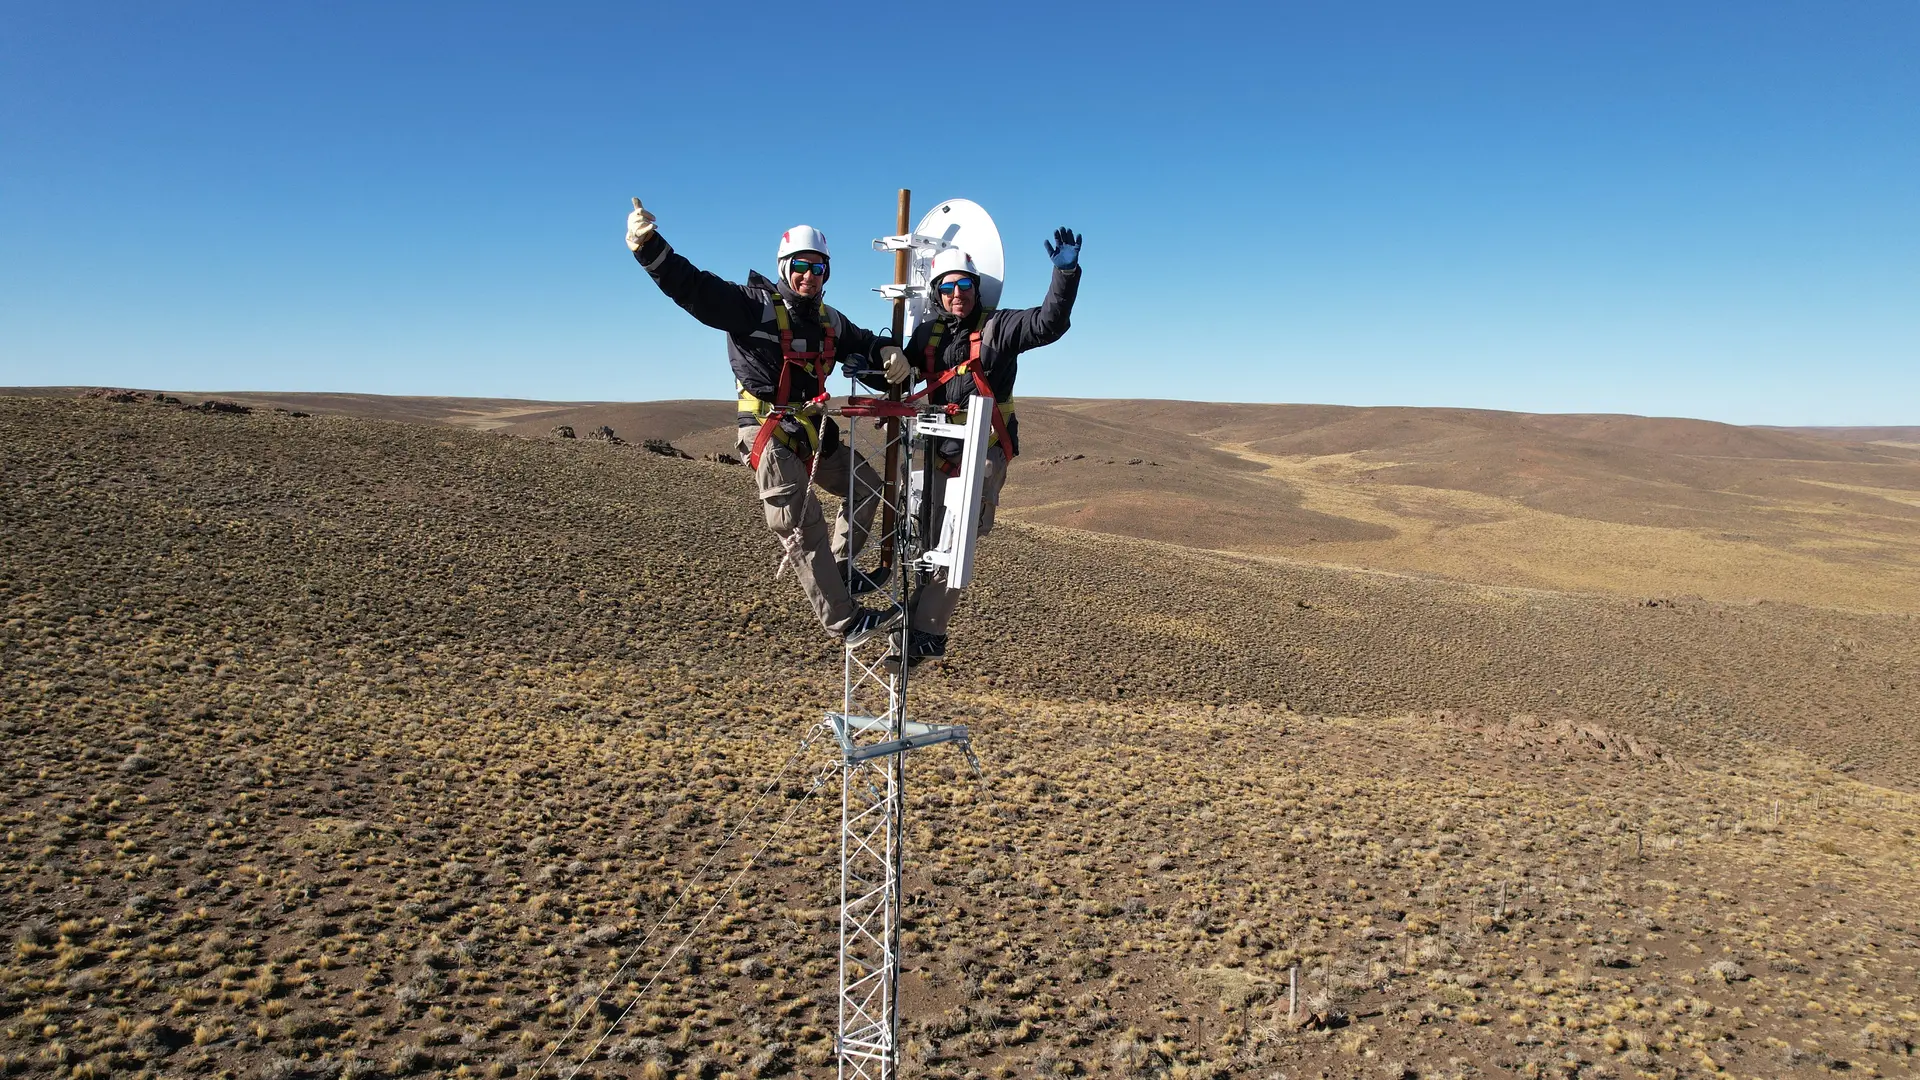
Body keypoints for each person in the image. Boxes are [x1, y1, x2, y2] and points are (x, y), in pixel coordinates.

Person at [624, 198, 916, 645]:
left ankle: (840, 573)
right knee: (802, 522)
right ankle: (843, 620)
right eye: (801, 265)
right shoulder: (750, 307)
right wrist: (649, 247)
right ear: (784, 266)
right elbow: (694, 288)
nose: (809, 275)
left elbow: (863, 341)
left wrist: (888, 352)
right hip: (769, 434)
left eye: (818, 268)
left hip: (813, 433)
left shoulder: (829, 321)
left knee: (868, 487)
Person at [889, 226, 1083, 666]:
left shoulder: (1000, 327)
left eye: (965, 286)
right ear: (937, 293)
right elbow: (897, 375)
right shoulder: (928, 337)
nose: (959, 294)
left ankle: (926, 633)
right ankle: (912, 624)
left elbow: (1049, 322)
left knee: (957, 541)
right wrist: (884, 355)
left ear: (977, 288)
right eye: (949, 287)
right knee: (925, 540)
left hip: (983, 449)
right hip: (938, 450)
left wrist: (1065, 275)